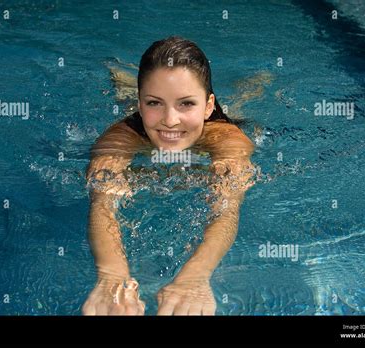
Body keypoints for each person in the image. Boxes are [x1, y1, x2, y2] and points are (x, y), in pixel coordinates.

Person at [82, 36, 255, 315]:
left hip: (213, 126)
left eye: (186, 103)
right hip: (140, 124)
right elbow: (103, 201)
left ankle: (252, 87)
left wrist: (196, 276)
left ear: (209, 105)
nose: (170, 120)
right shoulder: (119, 139)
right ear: (140, 105)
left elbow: (227, 206)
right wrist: (111, 276)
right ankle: (126, 82)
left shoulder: (229, 140)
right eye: (153, 103)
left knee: (246, 99)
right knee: (124, 91)